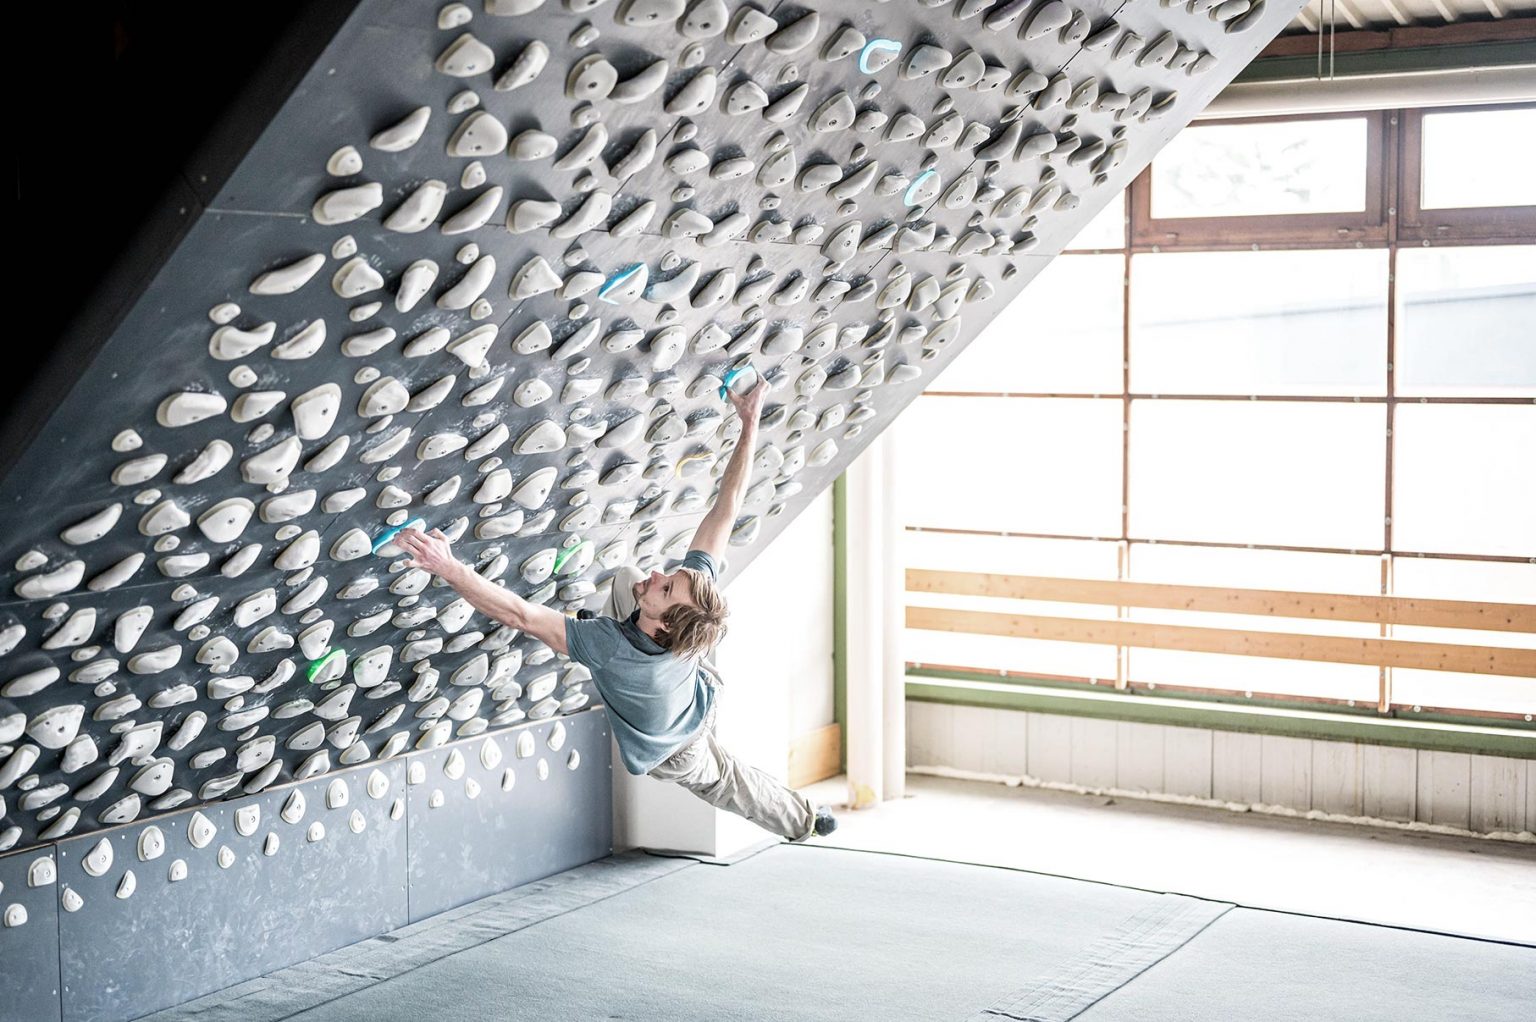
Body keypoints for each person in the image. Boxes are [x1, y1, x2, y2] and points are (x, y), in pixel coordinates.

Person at [396, 377, 837, 843]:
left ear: (665, 623)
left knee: (729, 779)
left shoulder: (611, 648)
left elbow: (520, 615)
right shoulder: (688, 602)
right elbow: (726, 510)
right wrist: (749, 422)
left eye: (666, 587)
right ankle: (616, 630)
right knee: (629, 578)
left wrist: (447, 567)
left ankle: (806, 820)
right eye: (671, 577)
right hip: (691, 688)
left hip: (676, 747)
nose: (660, 574)